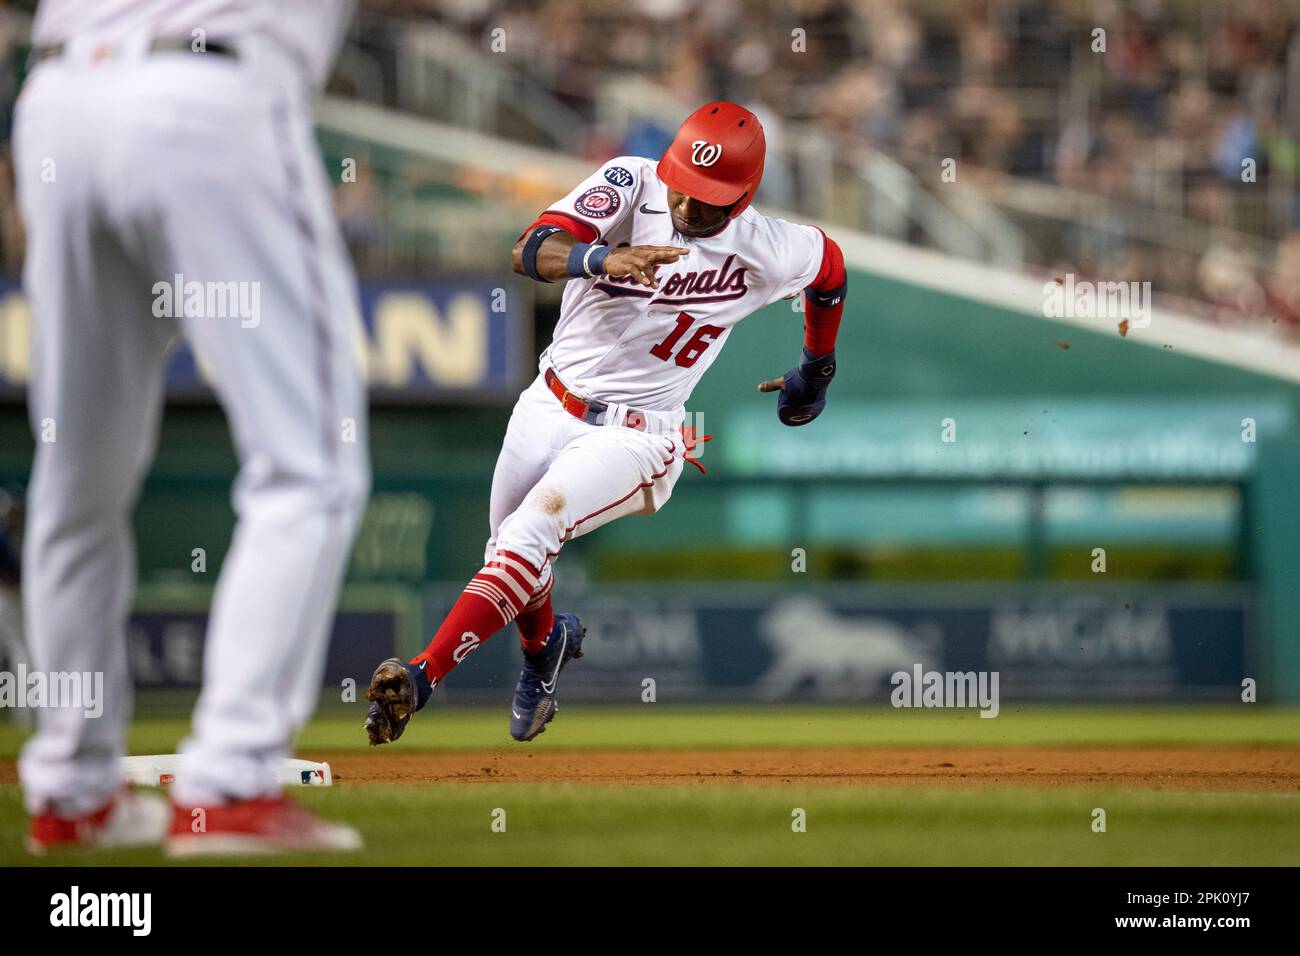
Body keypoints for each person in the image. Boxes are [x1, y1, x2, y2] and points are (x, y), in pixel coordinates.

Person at [364, 101, 846, 746]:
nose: (688, 207)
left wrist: (816, 368)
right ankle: (546, 649)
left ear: (743, 197)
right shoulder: (631, 182)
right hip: (547, 399)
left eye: (709, 198)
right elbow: (530, 249)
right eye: (684, 187)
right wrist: (599, 259)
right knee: (511, 555)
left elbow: (830, 268)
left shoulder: (769, 247)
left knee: (531, 532)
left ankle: (421, 677)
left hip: (640, 434)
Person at [17, 0, 370, 855]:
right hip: (209, 89)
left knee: (73, 482)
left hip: (59, 97)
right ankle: (230, 786)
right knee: (311, 467)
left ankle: (73, 792)